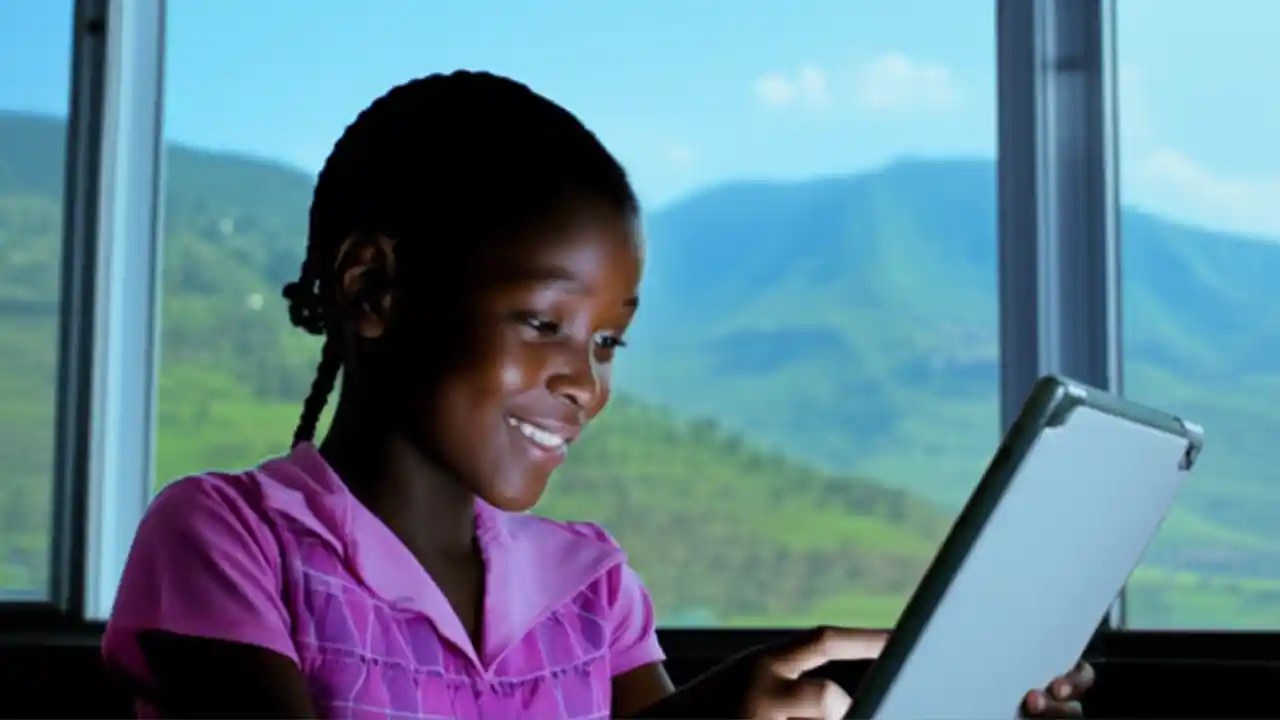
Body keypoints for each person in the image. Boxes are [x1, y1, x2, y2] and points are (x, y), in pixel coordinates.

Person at [101, 70, 1094, 719]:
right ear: (373, 289)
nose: (582, 379)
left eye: (608, 340)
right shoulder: (225, 540)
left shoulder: (591, 588)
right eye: (543, 324)